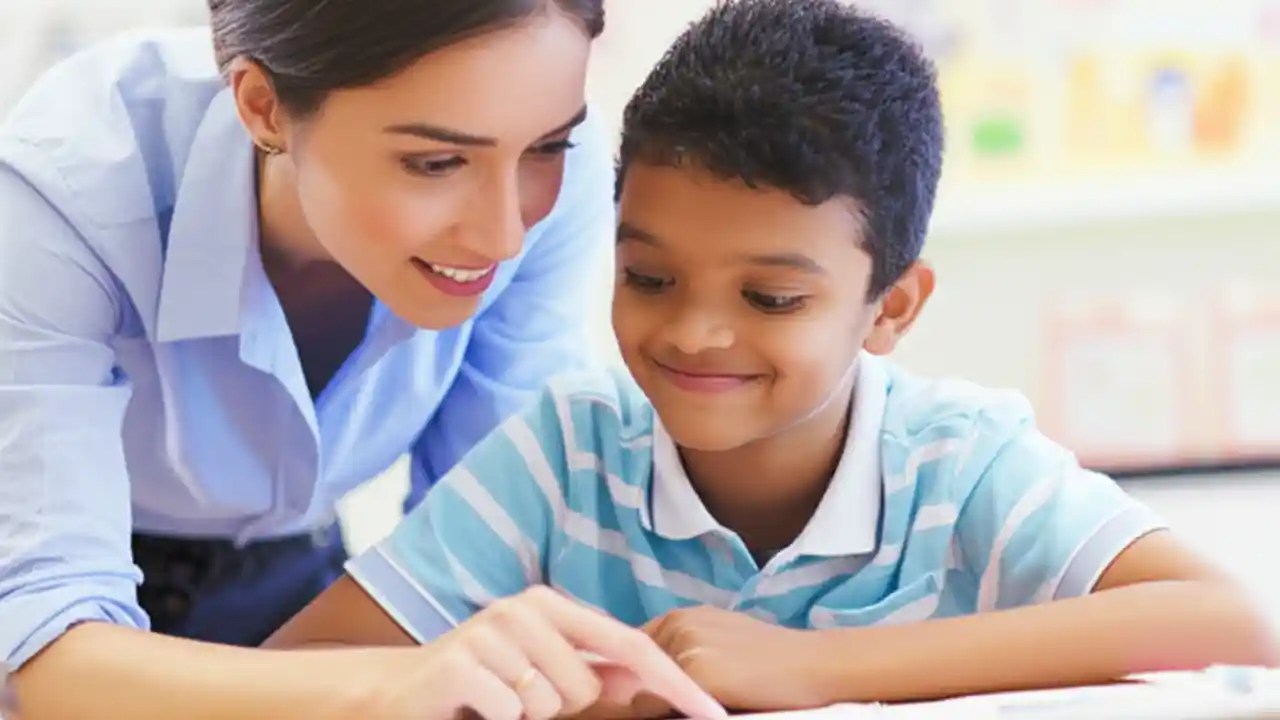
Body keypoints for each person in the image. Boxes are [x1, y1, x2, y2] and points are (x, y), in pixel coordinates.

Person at [268, 0, 1280, 714]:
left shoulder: (956, 461)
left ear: (889, 307)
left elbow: (1231, 623)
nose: (695, 333)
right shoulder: (563, 457)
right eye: (650, 279)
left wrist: (818, 667)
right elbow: (303, 669)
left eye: (770, 298)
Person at [0, 1, 729, 719]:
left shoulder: (542, 187)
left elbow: (493, 532)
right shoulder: (62, 195)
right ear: (263, 108)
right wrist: (391, 684)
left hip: (301, 574)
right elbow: (42, 663)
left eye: (547, 148)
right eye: (436, 162)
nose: (506, 235)